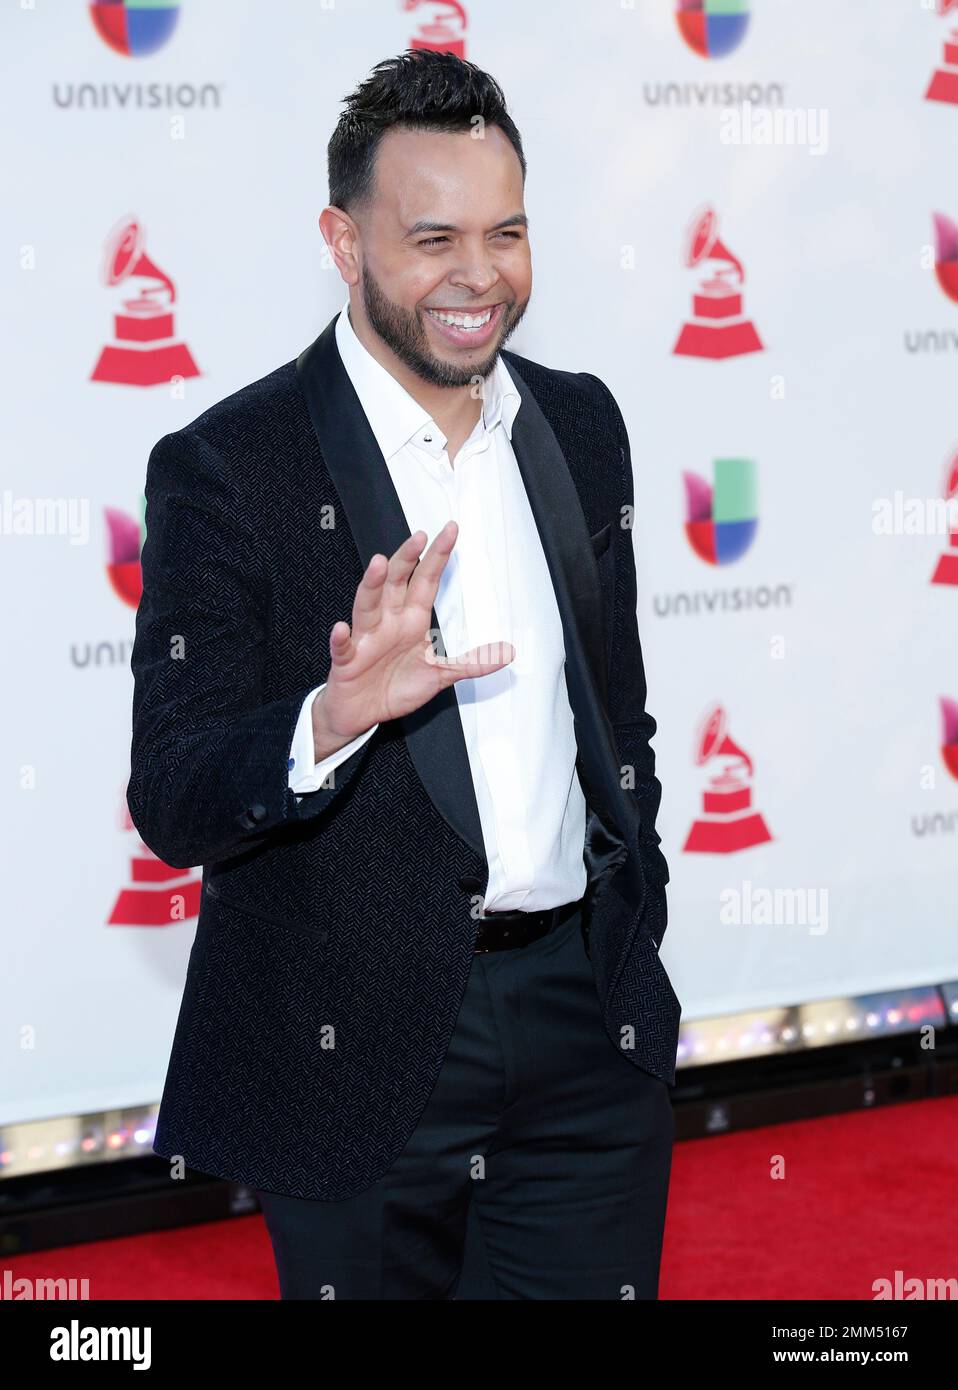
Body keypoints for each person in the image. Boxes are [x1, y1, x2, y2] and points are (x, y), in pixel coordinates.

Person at [129, 48, 681, 1301]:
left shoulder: (581, 424)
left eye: (506, 231)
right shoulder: (229, 465)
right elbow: (173, 790)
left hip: (584, 1028)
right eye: (431, 237)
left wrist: (633, 920)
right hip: (353, 1055)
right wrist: (331, 716)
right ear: (342, 239)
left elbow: (618, 713)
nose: (477, 275)